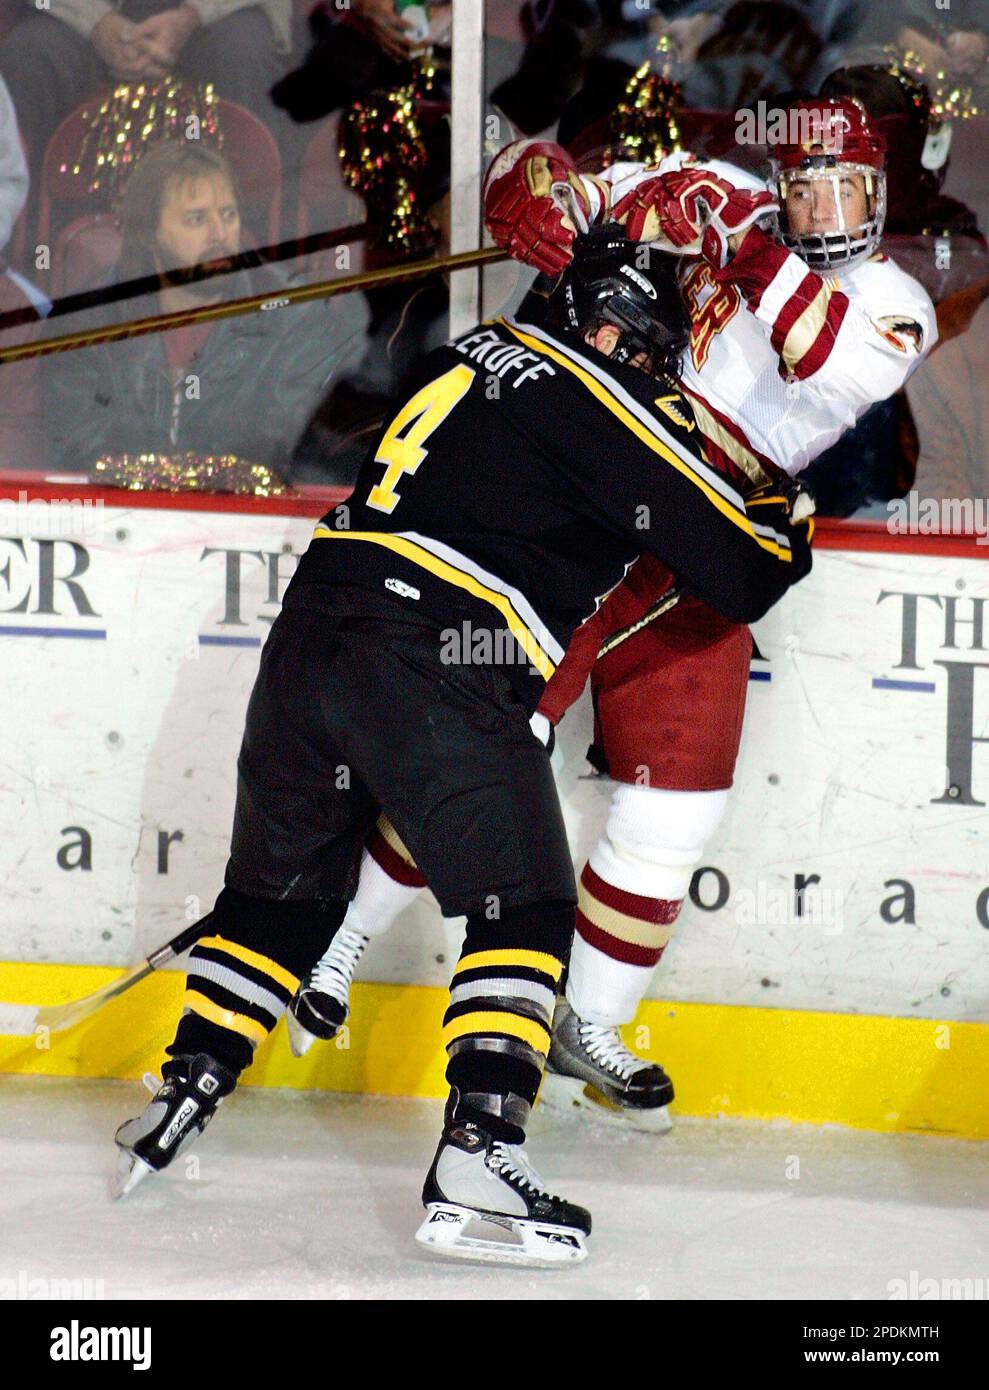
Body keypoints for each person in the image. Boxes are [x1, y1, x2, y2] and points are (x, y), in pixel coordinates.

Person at [112, 221, 814, 1267]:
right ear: (605, 328)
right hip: (436, 651)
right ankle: (476, 1159)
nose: (649, 368)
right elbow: (743, 570)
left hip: (311, 636)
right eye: (642, 346)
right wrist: (781, 510)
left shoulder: (465, 352)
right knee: (524, 905)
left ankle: (183, 1093)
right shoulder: (595, 401)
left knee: (282, 895)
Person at [287, 95, 937, 1132]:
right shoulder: (730, 200)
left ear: (878, 190)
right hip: (603, 497)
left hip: (717, 536)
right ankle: (335, 935)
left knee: (676, 804)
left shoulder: (895, 298)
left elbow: (828, 357)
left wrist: (731, 237)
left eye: (843, 186)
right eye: (802, 183)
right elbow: (567, 181)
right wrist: (534, 195)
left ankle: (585, 1019)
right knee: (494, 735)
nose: (819, 206)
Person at [43, 141, 367, 474]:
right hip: (122, 518)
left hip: (246, 518)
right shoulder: (86, 323)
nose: (220, 234)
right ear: (147, 233)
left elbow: (279, 453)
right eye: (196, 219)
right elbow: (80, 449)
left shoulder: (296, 317)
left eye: (229, 215)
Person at [0, 0, 293, 167]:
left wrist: (193, 16)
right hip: (82, 12)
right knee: (29, 56)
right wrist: (95, 22)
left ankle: (252, 242)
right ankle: (20, 249)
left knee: (243, 53)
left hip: (218, 14)